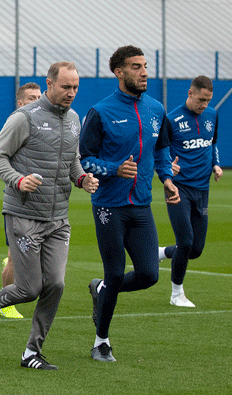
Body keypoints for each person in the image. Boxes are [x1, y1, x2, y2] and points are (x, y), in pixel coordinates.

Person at [0, 62, 99, 370]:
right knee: (29, 289)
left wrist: (83, 179)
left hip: (58, 217)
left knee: (55, 284)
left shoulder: (73, 120)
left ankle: (32, 352)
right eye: (65, 87)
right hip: (24, 214)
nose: (71, 93)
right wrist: (18, 179)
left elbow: (73, 161)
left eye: (75, 88)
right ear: (49, 84)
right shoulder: (23, 118)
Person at [79, 45, 180, 362]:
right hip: (109, 206)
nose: (145, 72)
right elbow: (85, 161)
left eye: (146, 65)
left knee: (150, 275)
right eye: (136, 66)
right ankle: (100, 342)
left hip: (142, 206)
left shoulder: (156, 109)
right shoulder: (100, 112)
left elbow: (162, 149)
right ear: (119, 72)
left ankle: (101, 290)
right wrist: (113, 169)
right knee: (117, 273)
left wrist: (166, 178)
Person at [160, 75, 223, 307]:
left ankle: (163, 253)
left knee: (195, 249)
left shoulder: (213, 115)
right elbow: (161, 151)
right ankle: (177, 294)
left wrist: (216, 164)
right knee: (185, 242)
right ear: (190, 93)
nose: (204, 105)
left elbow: (212, 143)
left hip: (202, 189)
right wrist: (169, 167)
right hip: (178, 188)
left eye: (208, 100)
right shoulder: (172, 119)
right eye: (201, 100)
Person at [0, 82, 42, 320]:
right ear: (21, 102)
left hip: (44, 202)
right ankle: (6, 303)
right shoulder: (16, 122)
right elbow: (0, 157)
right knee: (15, 257)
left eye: (39, 96)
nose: (36, 100)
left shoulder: (45, 123)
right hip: (20, 201)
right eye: (31, 97)